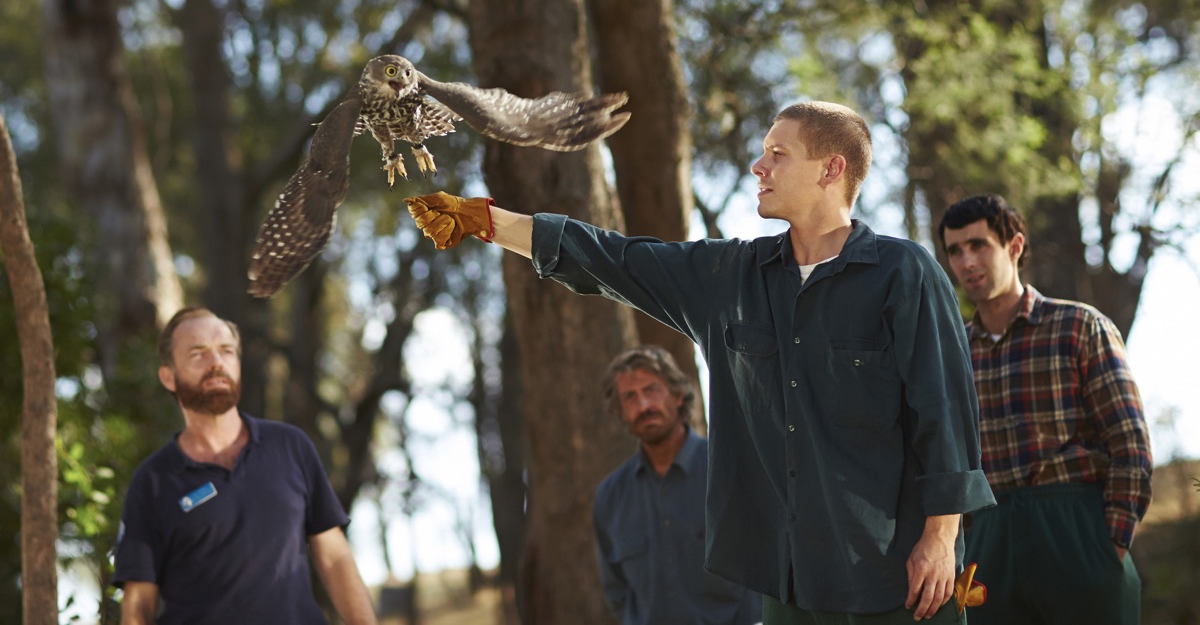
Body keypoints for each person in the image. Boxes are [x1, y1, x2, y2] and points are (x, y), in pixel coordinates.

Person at [405, 100, 996, 624]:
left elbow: (944, 411)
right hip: (787, 584)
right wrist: (485, 221)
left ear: (831, 168)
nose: (757, 166)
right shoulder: (729, 278)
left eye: (776, 153)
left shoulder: (903, 273)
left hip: (896, 576)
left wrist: (942, 536)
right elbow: (617, 260)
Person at [938, 194, 1152, 624]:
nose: (966, 262)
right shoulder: (949, 352)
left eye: (979, 245)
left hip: (1078, 532)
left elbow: (1129, 442)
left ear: (1014, 247)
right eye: (955, 251)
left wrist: (1111, 542)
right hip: (989, 546)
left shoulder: (1079, 327)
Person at [113, 306, 377, 625]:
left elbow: (335, 558)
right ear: (168, 376)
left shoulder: (290, 446)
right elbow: (139, 603)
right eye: (198, 353)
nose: (216, 363)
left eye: (226, 351)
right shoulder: (152, 482)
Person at [594, 346, 762, 625]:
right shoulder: (610, 496)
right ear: (620, 412)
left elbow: (764, 569)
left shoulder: (728, 470)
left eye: (652, 390)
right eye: (630, 398)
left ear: (678, 395)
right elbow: (616, 590)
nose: (644, 406)